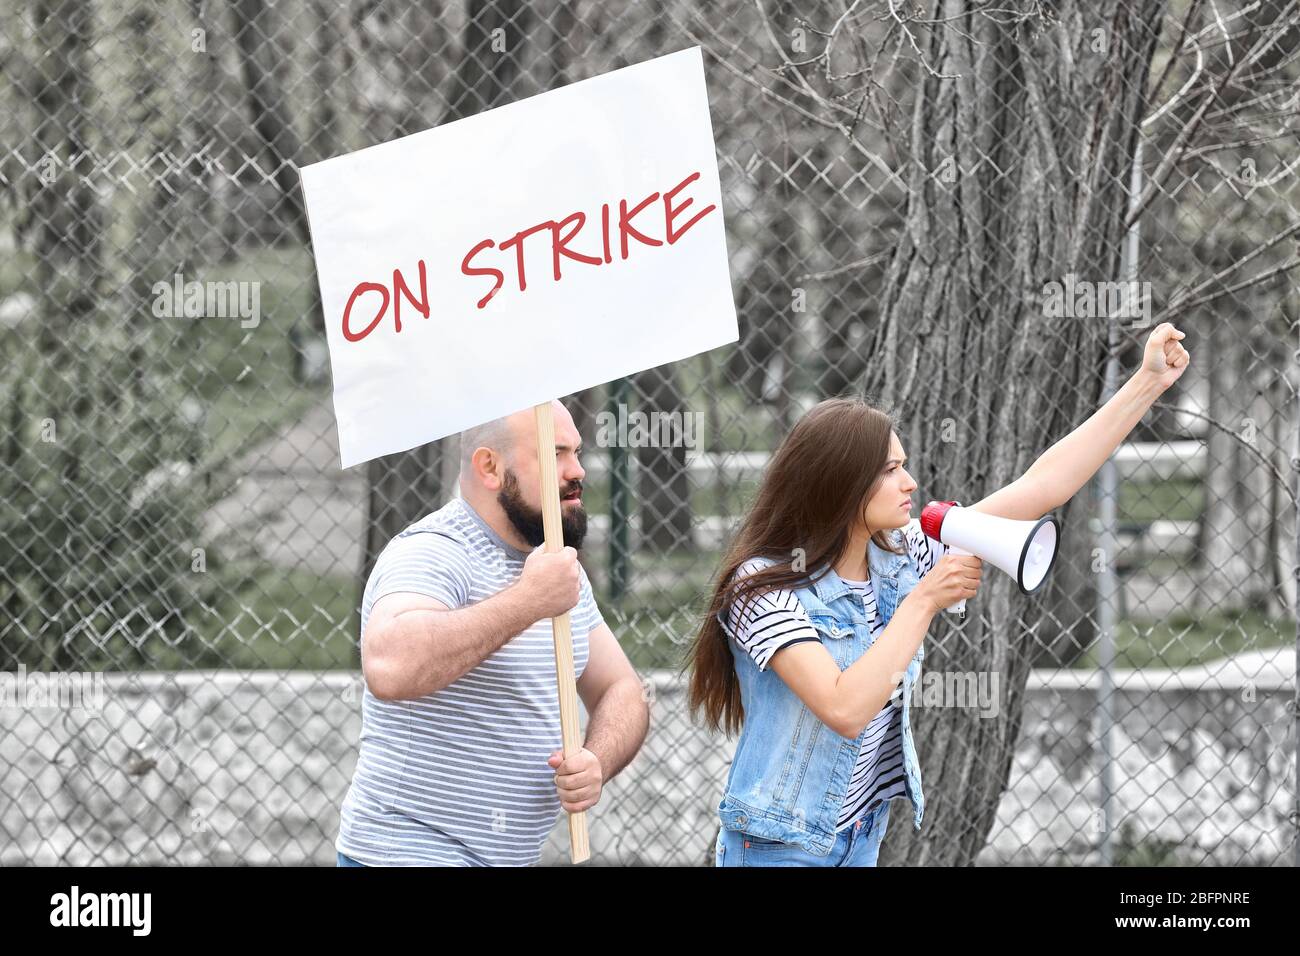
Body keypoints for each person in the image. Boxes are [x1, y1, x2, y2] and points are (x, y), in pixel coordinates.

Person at [687, 323, 1190, 867]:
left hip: (859, 837)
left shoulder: (899, 554)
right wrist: (923, 602)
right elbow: (844, 706)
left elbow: (1043, 486)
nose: (910, 483)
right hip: (778, 846)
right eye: (891, 470)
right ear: (839, 483)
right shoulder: (759, 587)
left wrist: (1146, 382)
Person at [336, 400, 649, 865]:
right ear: (489, 466)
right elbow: (390, 666)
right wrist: (527, 602)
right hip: (409, 851)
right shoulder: (434, 552)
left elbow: (623, 690)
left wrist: (596, 761)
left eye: (577, 452)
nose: (577, 470)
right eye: (556, 453)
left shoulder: (558, 568)